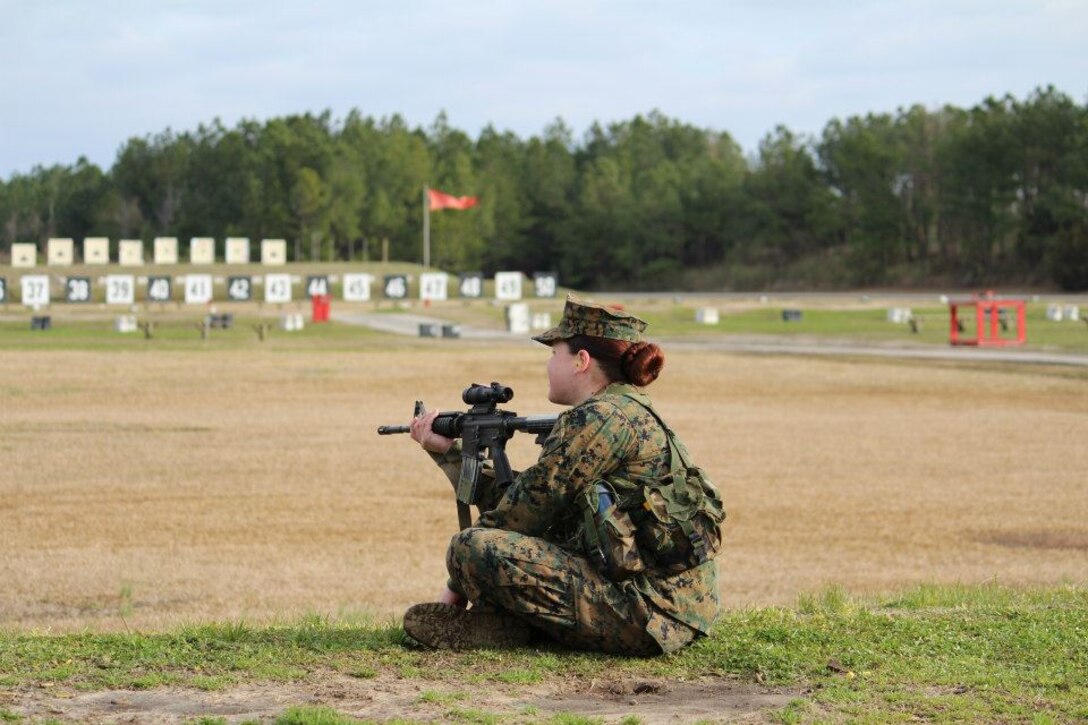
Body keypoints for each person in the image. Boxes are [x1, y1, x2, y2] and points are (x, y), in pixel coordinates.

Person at [403, 294, 725, 655]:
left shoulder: (599, 419)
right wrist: (448, 451)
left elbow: (519, 514)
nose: (548, 364)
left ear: (581, 361)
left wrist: (455, 585)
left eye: (554, 353)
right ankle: (511, 625)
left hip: (647, 614)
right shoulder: (625, 410)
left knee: (469, 546)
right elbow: (535, 500)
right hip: (674, 609)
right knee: (522, 536)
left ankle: (506, 625)